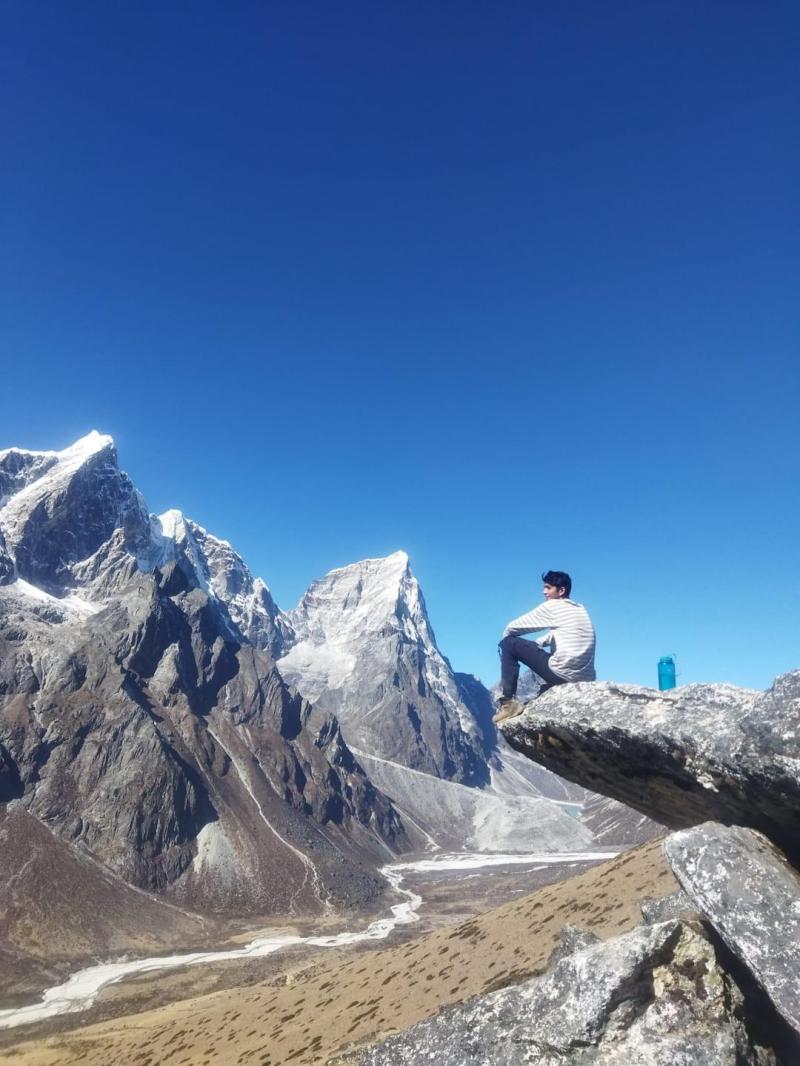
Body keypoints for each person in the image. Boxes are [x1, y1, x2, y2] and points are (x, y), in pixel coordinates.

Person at [493, 570, 595, 724]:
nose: (544, 592)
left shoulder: (554, 606)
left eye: (548, 588)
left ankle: (508, 704)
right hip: (585, 678)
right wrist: (537, 643)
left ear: (561, 591)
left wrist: (508, 643)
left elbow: (512, 628)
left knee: (508, 643)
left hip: (562, 674)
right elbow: (559, 634)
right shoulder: (579, 609)